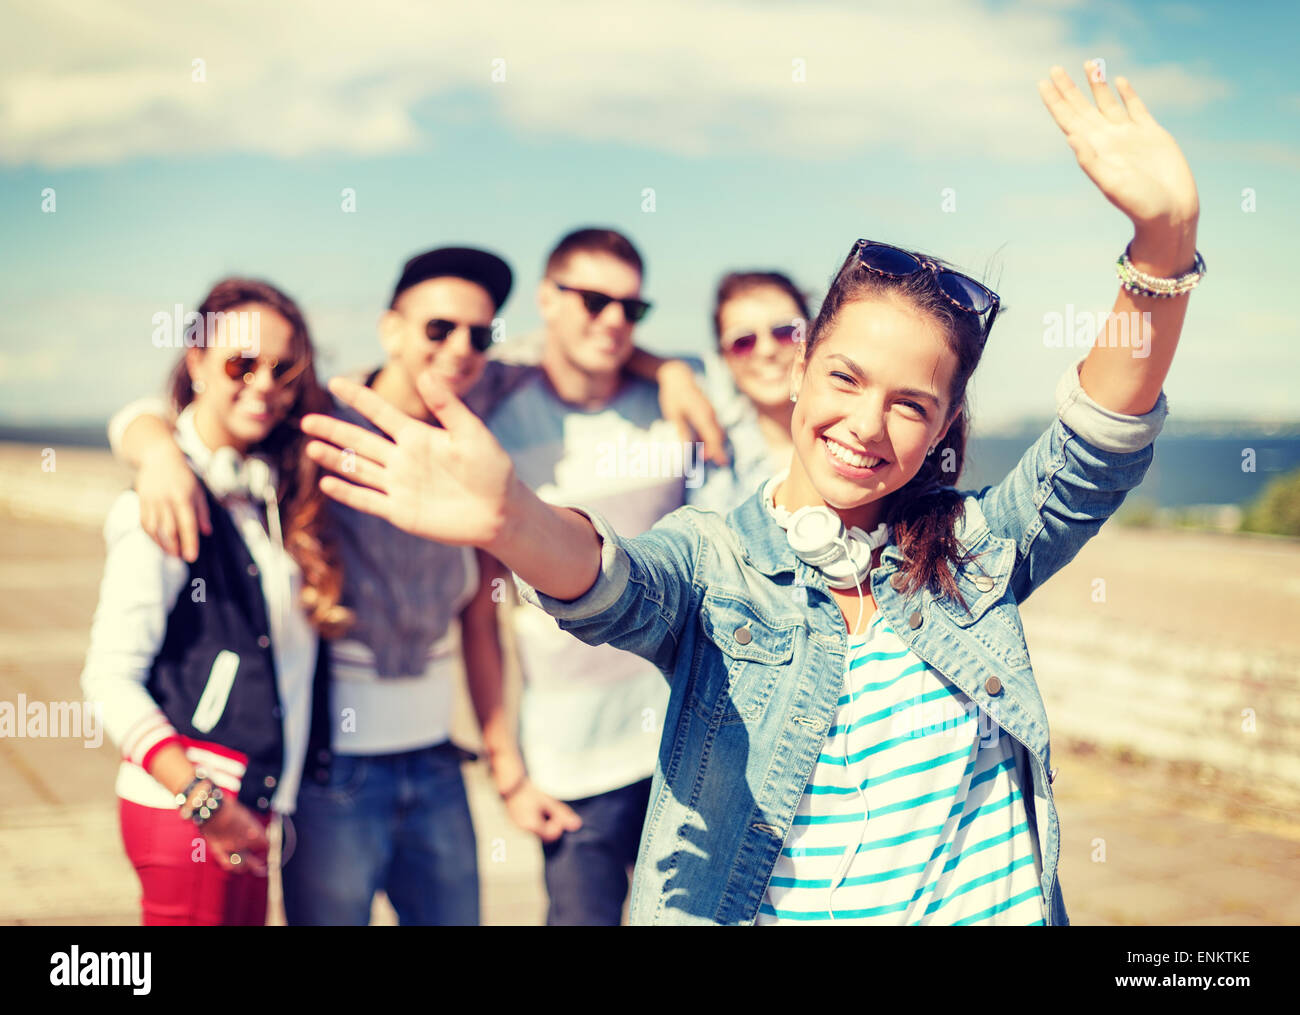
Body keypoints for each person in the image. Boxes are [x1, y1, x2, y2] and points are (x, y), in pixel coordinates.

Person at [298, 63, 1203, 925]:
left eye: (910, 405)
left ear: (943, 426)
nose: (866, 424)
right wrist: (514, 521)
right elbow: (616, 584)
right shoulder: (716, 559)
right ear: (803, 368)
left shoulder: (976, 547)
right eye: (845, 378)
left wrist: (1162, 243)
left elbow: (1098, 436)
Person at [106, 246, 726, 925]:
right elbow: (217, 403)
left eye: (479, 333)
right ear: (391, 328)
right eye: (438, 328)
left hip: (437, 762)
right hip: (333, 768)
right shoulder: (321, 414)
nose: (460, 347)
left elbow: (581, 350)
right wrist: (153, 445)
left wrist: (665, 367)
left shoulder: (482, 395)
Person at [81, 278, 348, 925]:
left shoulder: (265, 491)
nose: (265, 384)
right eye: (241, 363)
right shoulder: (164, 501)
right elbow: (107, 677)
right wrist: (205, 803)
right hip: (193, 810)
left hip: (243, 808)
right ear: (196, 361)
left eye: (284, 369)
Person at [484, 227, 717, 924]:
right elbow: (478, 608)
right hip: (570, 760)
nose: (614, 320)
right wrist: (507, 767)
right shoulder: (492, 417)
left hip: (687, 741)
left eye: (632, 308)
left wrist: (670, 369)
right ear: (546, 301)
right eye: (593, 301)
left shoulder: (680, 397)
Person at [690, 271, 810, 514]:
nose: (767, 350)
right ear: (724, 358)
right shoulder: (714, 446)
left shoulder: (855, 436)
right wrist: (671, 374)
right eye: (742, 341)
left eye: (786, 331)